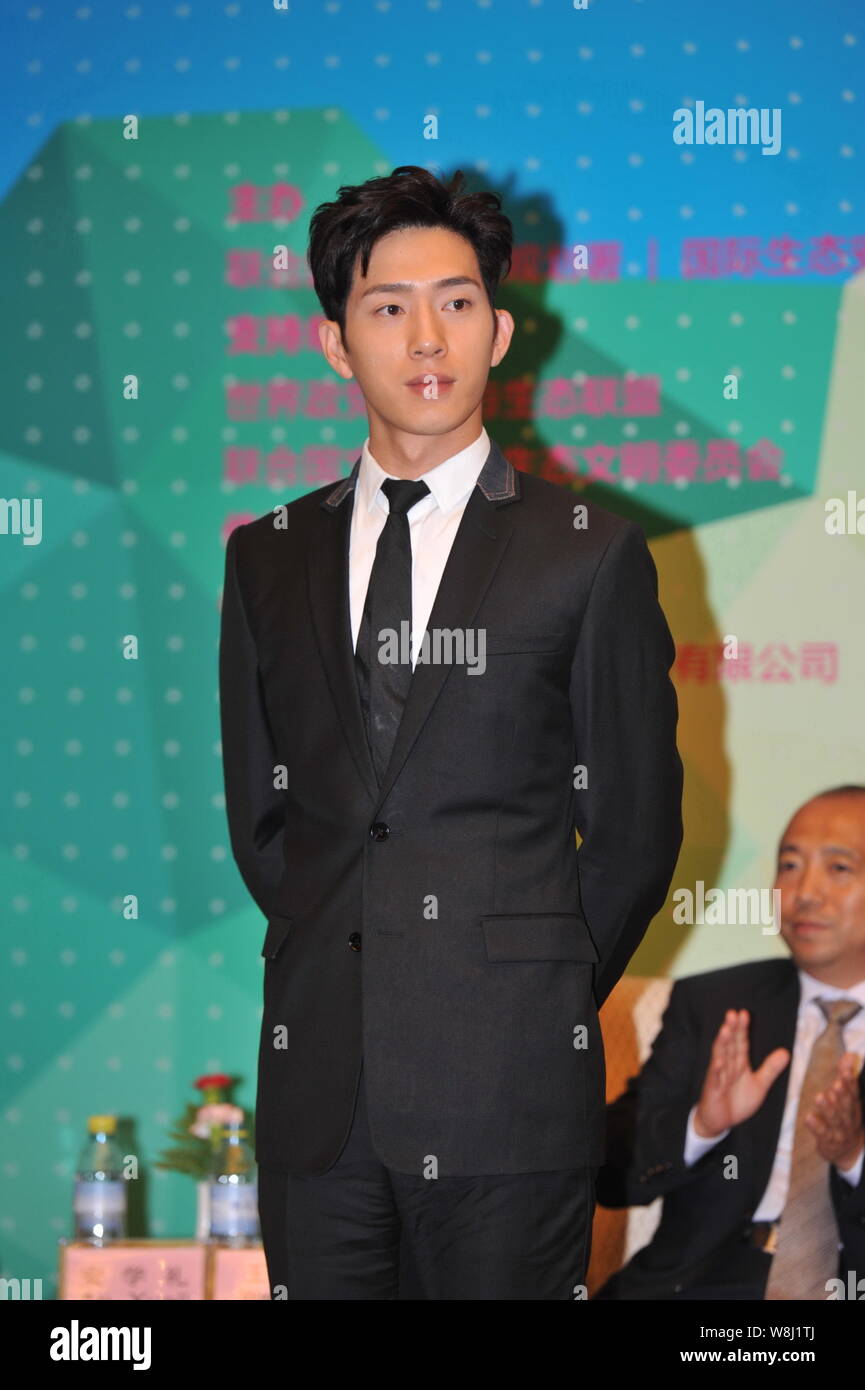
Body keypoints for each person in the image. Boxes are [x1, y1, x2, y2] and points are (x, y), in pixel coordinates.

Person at [218, 164, 683, 1300]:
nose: (427, 336)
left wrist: (521, 986)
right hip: (320, 1099)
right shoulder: (267, 556)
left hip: (510, 1095)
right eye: (388, 307)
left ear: (501, 331)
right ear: (336, 344)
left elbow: (629, 836)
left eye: (458, 301)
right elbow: (267, 822)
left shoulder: (586, 552)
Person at [593, 785, 865, 1301]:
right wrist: (701, 1124)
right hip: (699, 1283)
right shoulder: (717, 1002)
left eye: (839, 868)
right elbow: (610, 1175)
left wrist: (855, 1155)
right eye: (789, 865)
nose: (804, 890)